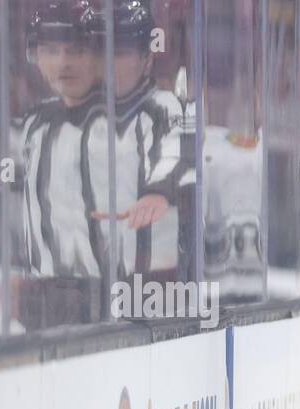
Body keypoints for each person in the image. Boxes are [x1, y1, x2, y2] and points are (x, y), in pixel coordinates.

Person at [83, 0, 192, 284]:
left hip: (157, 276)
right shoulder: (87, 115)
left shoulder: (162, 106)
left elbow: (174, 150)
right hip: (96, 275)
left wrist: (159, 191)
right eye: (102, 52)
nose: (109, 63)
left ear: (147, 59)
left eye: (121, 53)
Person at [14, 0, 103, 329]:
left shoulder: (127, 125)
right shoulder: (32, 126)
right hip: (40, 295)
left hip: (104, 299)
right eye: (50, 49)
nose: (63, 62)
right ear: (35, 55)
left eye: (76, 49)